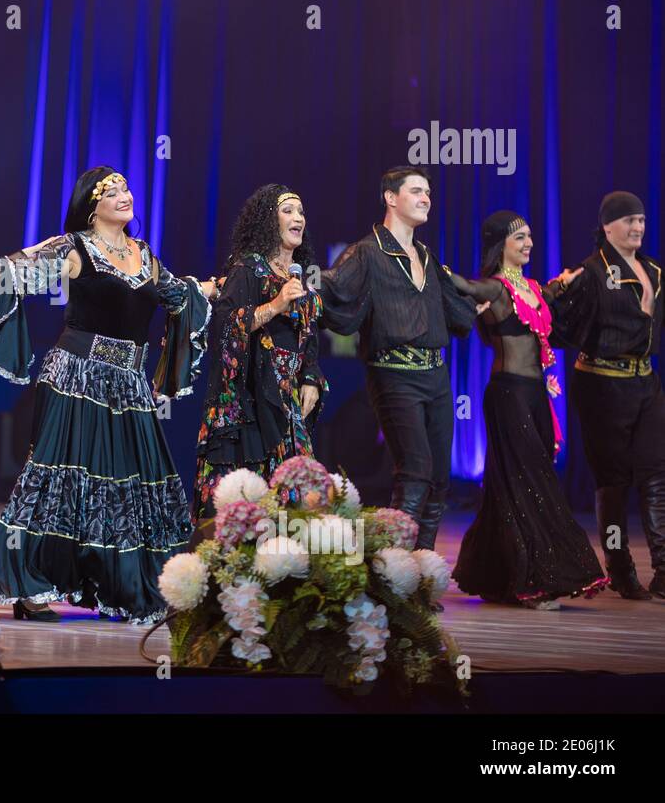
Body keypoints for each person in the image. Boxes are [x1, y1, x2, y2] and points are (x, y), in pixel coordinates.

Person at [0, 167, 214, 623]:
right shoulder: (75, 247)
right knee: (60, 484)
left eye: (126, 187)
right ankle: (28, 586)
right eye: (112, 190)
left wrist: (229, 287)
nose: (125, 195)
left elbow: (181, 293)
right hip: (77, 380)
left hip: (128, 387)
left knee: (127, 491)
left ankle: (124, 585)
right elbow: (15, 271)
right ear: (92, 205)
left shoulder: (144, 255)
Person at [445, 210, 608, 609]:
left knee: (514, 484)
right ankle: (534, 580)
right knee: (528, 481)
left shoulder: (532, 288)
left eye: (531, 236)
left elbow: (550, 297)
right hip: (508, 396)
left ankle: (500, 575)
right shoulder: (497, 289)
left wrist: (568, 280)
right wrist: (436, 268)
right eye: (520, 238)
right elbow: (464, 285)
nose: (529, 243)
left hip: (536, 396)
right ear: (502, 245)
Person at [319, 168, 480, 553]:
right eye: (416, 191)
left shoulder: (426, 254)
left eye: (429, 192)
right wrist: (292, 283)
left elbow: (455, 308)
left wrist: (477, 305)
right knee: (416, 469)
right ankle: (398, 568)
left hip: (436, 375)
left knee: (440, 476)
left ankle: (422, 566)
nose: (426, 198)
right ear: (391, 198)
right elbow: (333, 287)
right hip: (393, 374)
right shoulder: (367, 252)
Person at [549, 191, 665, 599]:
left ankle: (664, 569)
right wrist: (557, 293)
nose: (637, 227)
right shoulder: (593, 272)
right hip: (602, 384)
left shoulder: (653, 269)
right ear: (607, 227)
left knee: (657, 472)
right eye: (628, 220)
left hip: (646, 382)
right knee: (613, 482)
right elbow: (561, 330)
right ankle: (619, 568)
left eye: (641, 220)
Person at [193, 185, 326, 524]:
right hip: (249, 404)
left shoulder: (300, 278)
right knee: (246, 507)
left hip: (288, 405)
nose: (298, 218)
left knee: (300, 504)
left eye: (301, 212)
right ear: (269, 220)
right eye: (288, 211)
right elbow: (224, 329)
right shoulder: (248, 269)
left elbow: (309, 341)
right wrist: (275, 306)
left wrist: (311, 376)